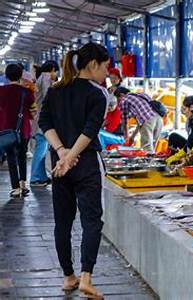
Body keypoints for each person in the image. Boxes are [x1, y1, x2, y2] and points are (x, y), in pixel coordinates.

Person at [38, 42, 109, 299]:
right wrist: (71, 155)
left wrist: (62, 153)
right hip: (86, 164)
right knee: (92, 220)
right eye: (105, 67)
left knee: (63, 222)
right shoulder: (97, 94)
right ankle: (86, 278)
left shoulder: (56, 91)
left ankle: (69, 276)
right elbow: (90, 131)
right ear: (93, 65)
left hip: (60, 167)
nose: (106, 73)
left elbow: (43, 121)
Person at [0, 64, 35, 197]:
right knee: (22, 156)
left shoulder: (1, 91)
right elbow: (32, 109)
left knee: (11, 158)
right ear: (21, 75)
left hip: (6, 130)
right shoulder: (26, 92)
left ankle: (15, 188)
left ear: (7, 76)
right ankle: (23, 184)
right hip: (23, 128)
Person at [30, 60, 59, 187]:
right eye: (56, 71)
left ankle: (41, 176)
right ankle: (35, 178)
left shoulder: (41, 77)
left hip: (39, 119)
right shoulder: (46, 77)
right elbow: (50, 95)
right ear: (52, 69)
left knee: (41, 147)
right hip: (43, 120)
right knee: (41, 148)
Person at [114, 87, 163, 152]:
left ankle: (148, 161)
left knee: (147, 148)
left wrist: (126, 137)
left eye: (117, 98)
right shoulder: (142, 95)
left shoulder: (124, 100)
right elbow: (141, 123)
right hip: (159, 119)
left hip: (148, 120)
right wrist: (132, 137)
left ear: (121, 94)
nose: (118, 101)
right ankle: (152, 160)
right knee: (152, 146)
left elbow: (124, 121)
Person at [166, 96, 193, 165]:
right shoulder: (191, 119)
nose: (183, 113)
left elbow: (192, 141)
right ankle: (172, 158)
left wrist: (177, 156)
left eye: (184, 109)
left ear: (192, 107)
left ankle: (174, 160)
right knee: (173, 136)